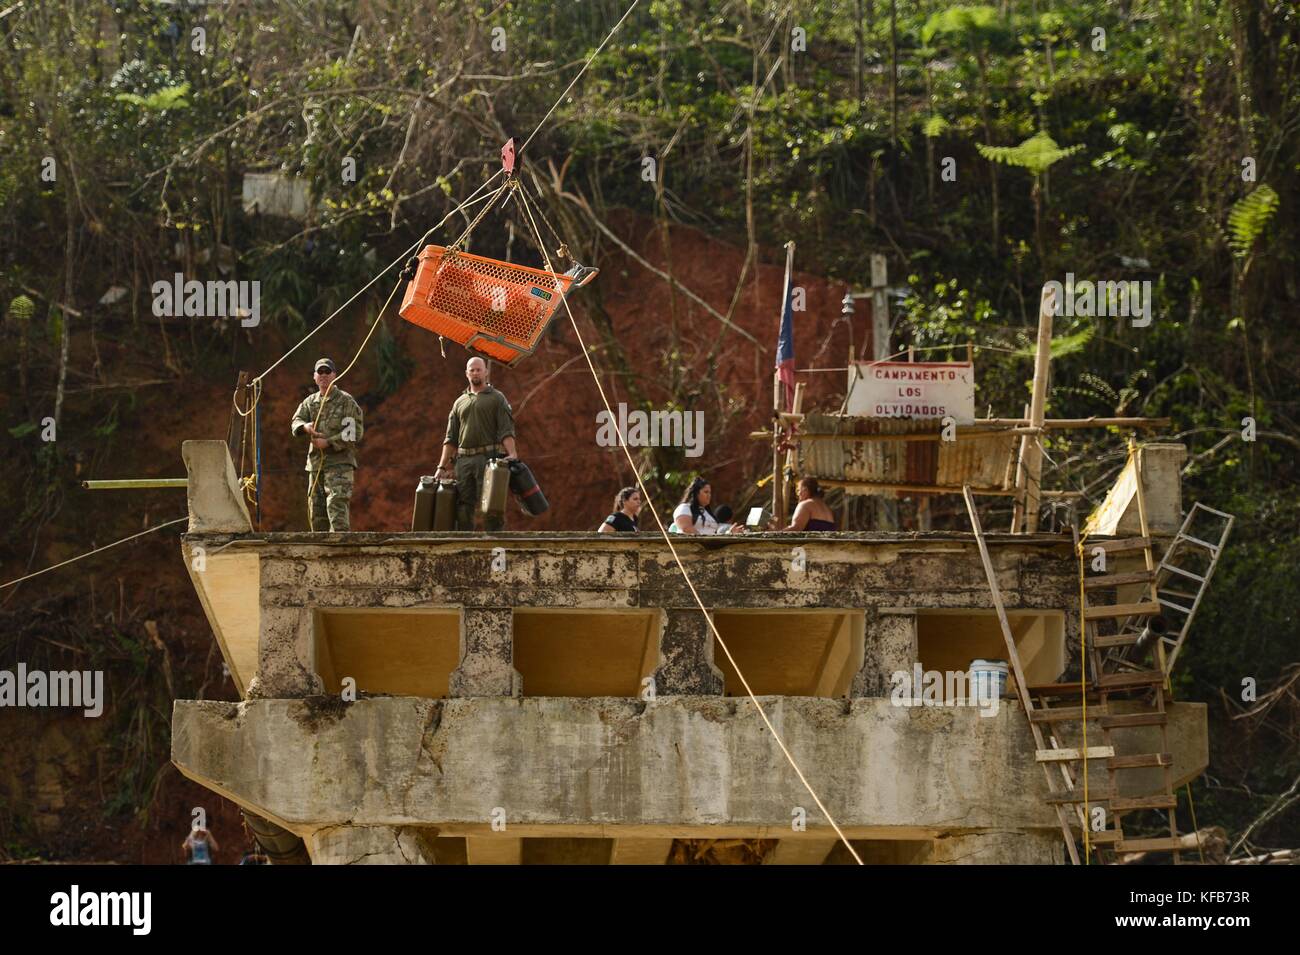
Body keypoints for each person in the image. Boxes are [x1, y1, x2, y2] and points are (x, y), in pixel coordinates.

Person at [433, 356, 517, 531]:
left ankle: (495, 548)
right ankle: (466, 546)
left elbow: (506, 429)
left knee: (492, 506)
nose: (475, 372)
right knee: (463, 507)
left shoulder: (496, 398)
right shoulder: (459, 402)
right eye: (472, 370)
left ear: (486, 372)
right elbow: (450, 438)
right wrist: (441, 467)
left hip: (489, 460)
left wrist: (512, 453)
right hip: (463, 462)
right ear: (466, 373)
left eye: (479, 369)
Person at [291, 358, 364, 532]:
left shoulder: (345, 401)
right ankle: (321, 554)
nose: (323, 375)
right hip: (316, 466)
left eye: (327, 371)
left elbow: (353, 432)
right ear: (314, 377)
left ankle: (340, 553)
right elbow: (296, 420)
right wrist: (305, 427)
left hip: (339, 465)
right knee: (316, 512)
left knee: (336, 509)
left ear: (335, 375)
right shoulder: (310, 402)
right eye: (320, 372)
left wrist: (328, 443)